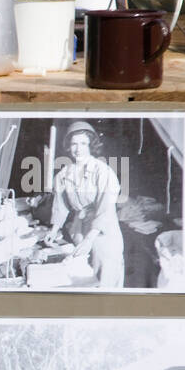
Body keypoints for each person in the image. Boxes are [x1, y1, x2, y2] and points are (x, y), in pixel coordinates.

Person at [45, 121, 124, 288]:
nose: (78, 149)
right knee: (82, 278)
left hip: (104, 232)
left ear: (91, 145)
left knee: (105, 277)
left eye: (83, 143)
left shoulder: (103, 171)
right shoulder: (63, 174)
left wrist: (90, 239)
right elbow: (61, 204)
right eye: (74, 144)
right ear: (68, 147)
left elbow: (106, 209)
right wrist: (54, 229)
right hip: (79, 228)